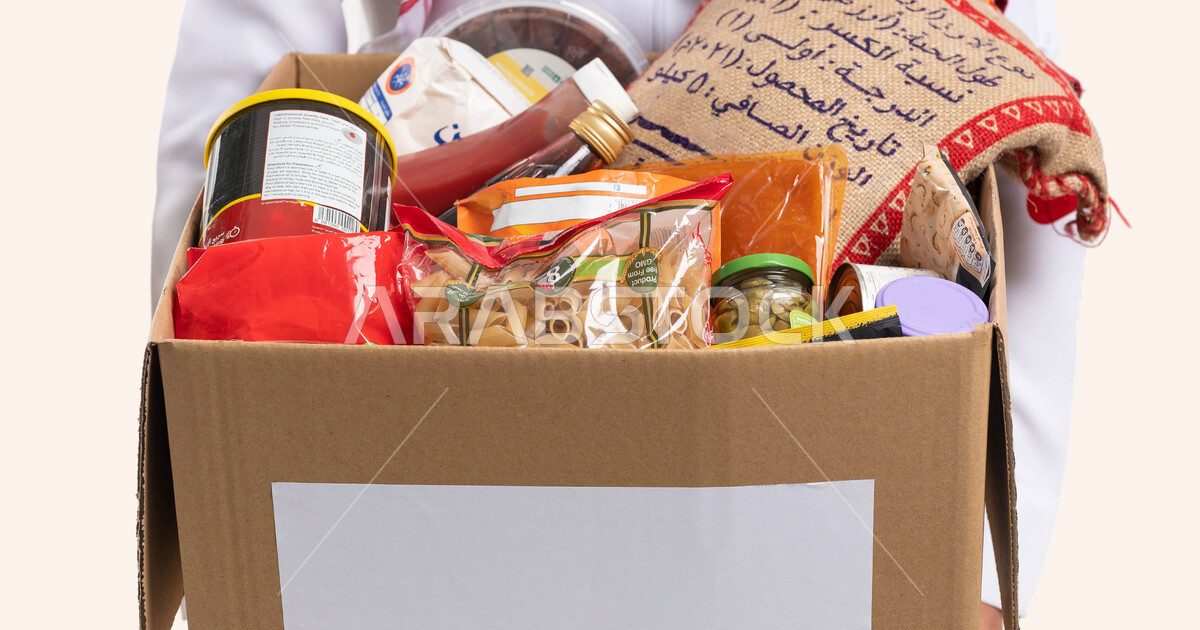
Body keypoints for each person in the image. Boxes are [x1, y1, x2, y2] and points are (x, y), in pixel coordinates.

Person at [151, 1, 1083, 627]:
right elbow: (225, 153)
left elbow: (1028, 268)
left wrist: (991, 580)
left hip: (779, 541)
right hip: (428, 517)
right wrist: (216, 488)